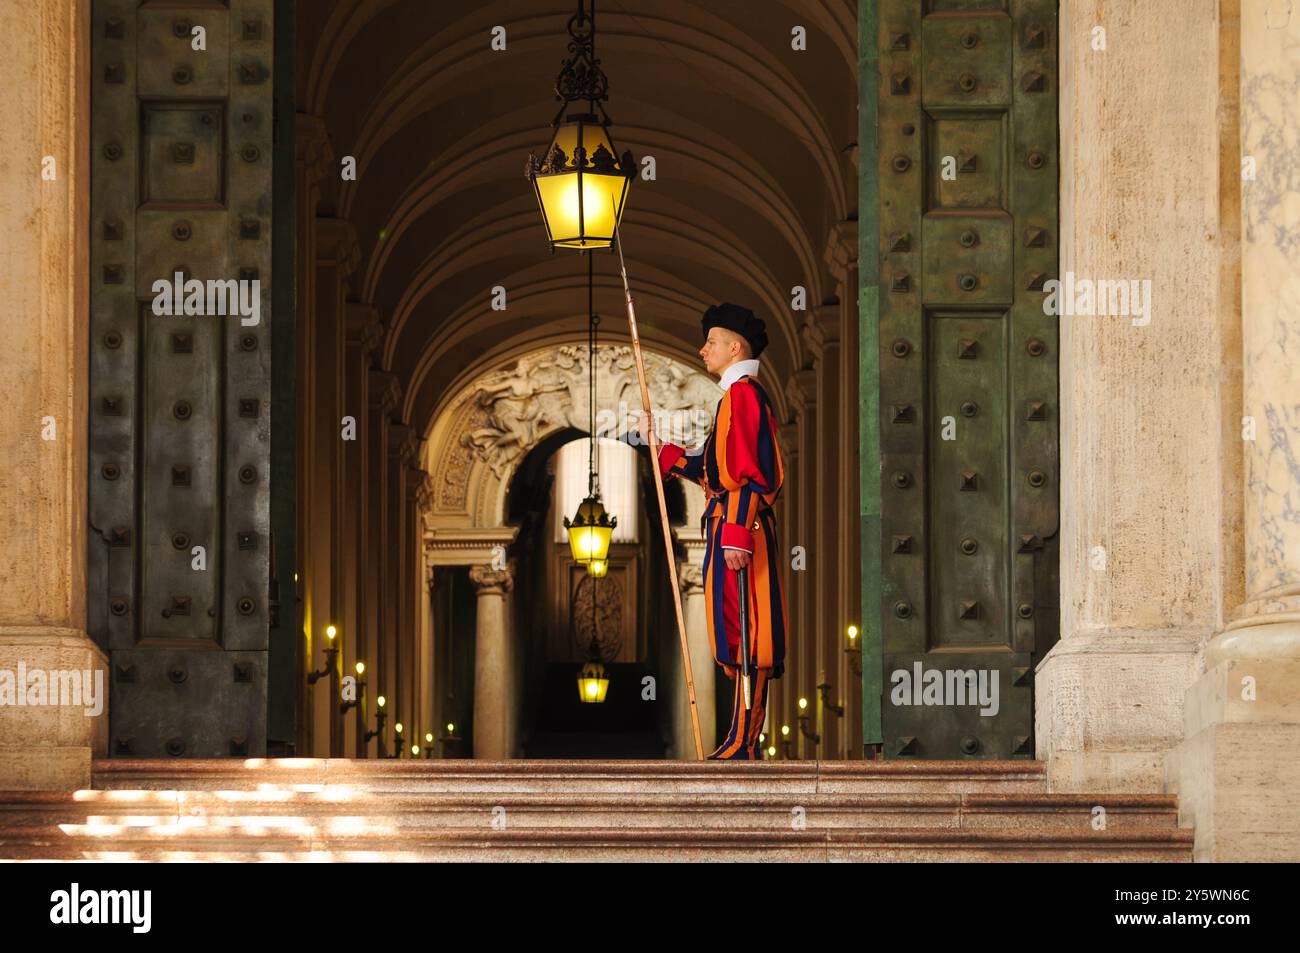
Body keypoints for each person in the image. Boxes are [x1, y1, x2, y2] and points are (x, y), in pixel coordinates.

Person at [636, 302, 788, 760]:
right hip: (730, 527)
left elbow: (748, 473)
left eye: (711, 342)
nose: (703, 350)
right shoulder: (734, 398)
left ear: (735, 347)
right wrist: (658, 447)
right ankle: (738, 737)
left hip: (740, 529)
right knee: (734, 634)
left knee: (750, 635)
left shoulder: (743, 395)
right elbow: (711, 469)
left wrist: (737, 533)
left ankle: (744, 742)